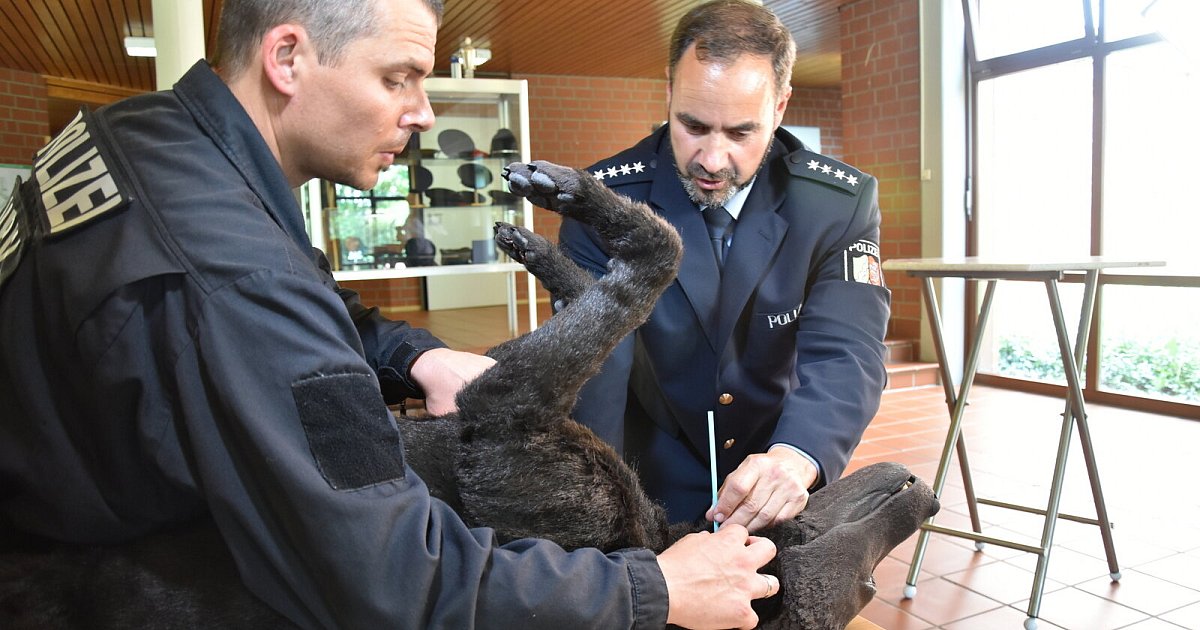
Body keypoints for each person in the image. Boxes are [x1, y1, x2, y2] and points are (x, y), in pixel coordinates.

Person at [0, 0, 780, 628]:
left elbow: (294, 302)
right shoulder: (233, 270)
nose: (423, 113)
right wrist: (651, 590)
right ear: (287, 58)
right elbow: (393, 575)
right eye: (399, 78)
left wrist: (413, 355)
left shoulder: (144, 133)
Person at [560, 0, 890, 532]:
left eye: (740, 133)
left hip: (773, 463)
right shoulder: (603, 204)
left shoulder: (836, 204)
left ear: (780, 107)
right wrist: (594, 512)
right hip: (643, 468)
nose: (712, 160)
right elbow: (596, 372)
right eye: (693, 125)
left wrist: (796, 456)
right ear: (669, 91)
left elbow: (847, 351)